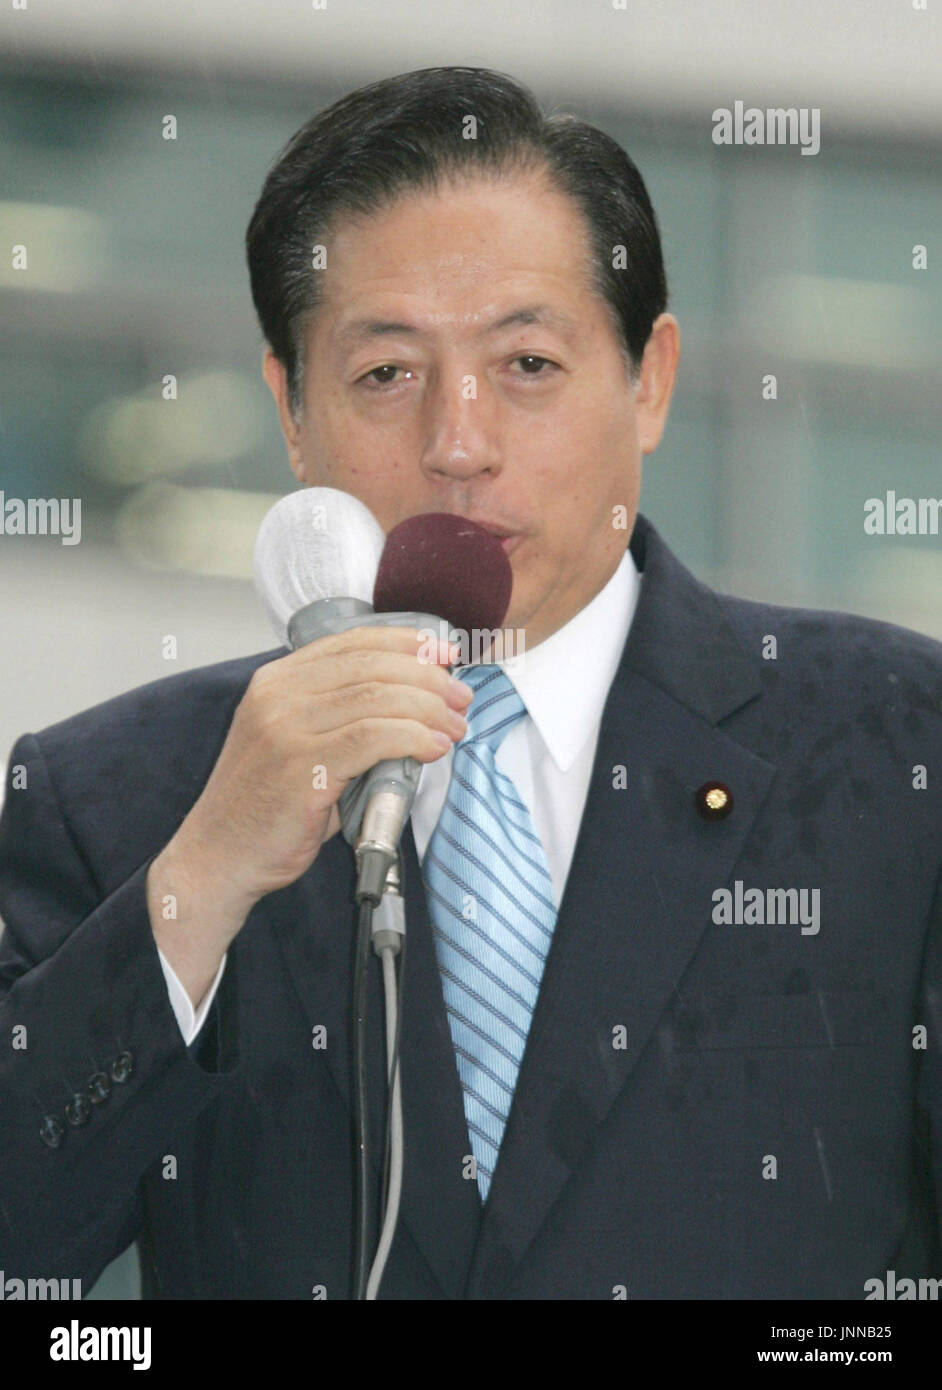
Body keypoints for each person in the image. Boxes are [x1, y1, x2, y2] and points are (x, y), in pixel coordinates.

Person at [1, 66, 940, 1301]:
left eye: (528, 363)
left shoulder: (893, 750)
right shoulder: (120, 794)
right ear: (291, 409)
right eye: (386, 374)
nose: (458, 443)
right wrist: (201, 881)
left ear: (650, 380)